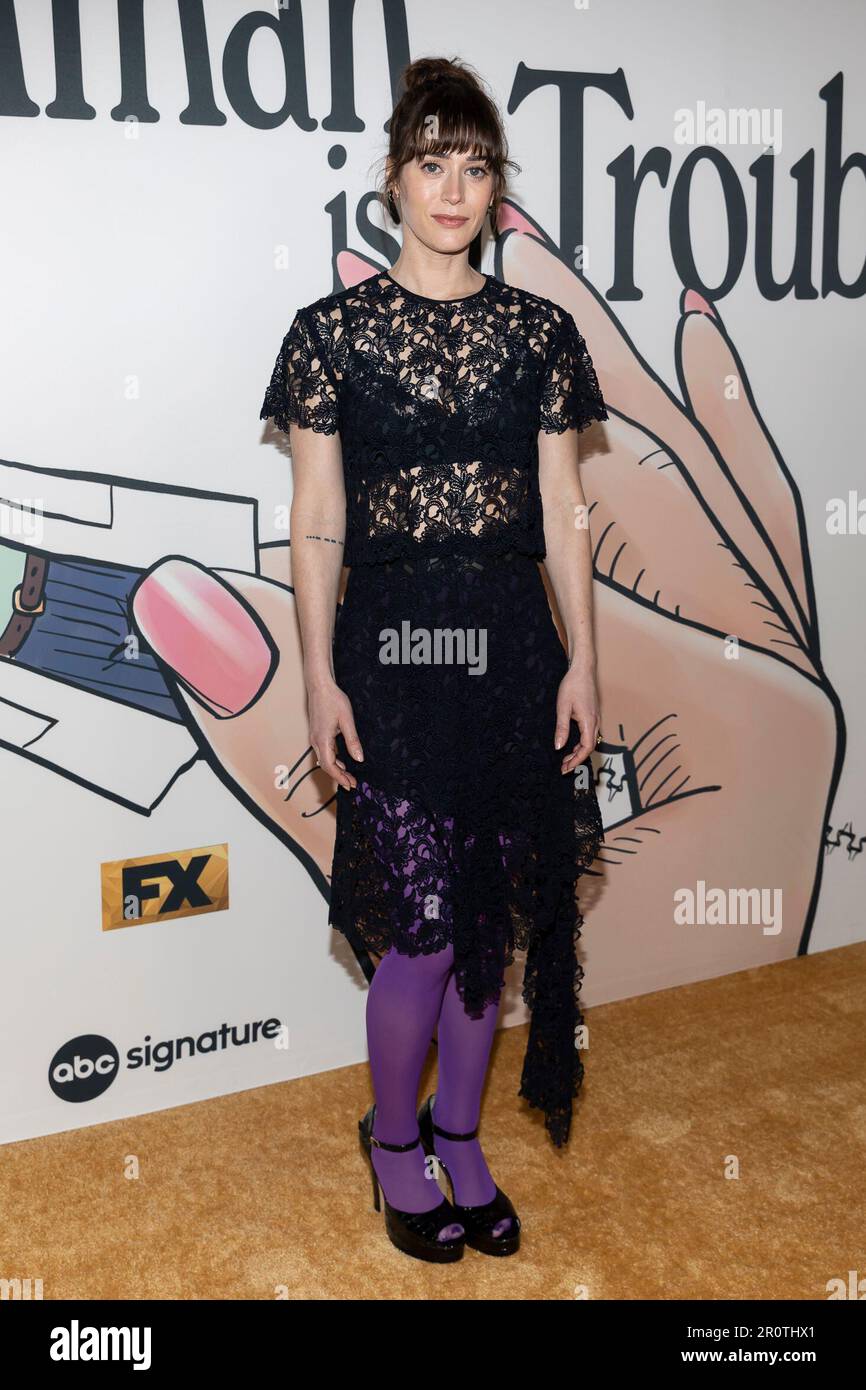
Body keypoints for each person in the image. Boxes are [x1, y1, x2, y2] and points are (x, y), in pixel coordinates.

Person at [260, 55, 608, 1263]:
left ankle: (460, 1133)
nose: (450, 189)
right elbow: (315, 522)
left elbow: (565, 508)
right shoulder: (330, 339)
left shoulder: (540, 334)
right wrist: (316, 678)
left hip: (513, 652)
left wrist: (582, 664)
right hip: (393, 655)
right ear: (392, 179)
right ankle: (393, 1142)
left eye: (473, 166)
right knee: (417, 923)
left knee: (493, 921)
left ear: (494, 188)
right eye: (429, 163)